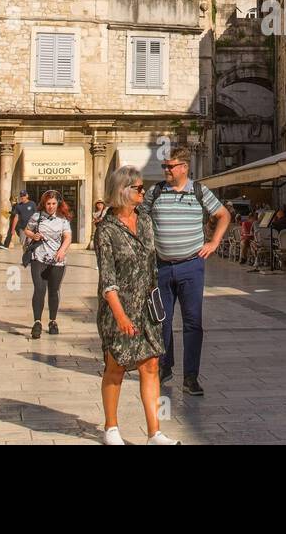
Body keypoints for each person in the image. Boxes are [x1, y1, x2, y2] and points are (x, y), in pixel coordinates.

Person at [96, 165, 178, 445]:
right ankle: (111, 428)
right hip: (117, 308)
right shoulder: (106, 230)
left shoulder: (144, 220)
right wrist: (120, 315)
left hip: (147, 307)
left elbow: (154, 259)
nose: (143, 192)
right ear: (123, 191)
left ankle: (154, 433)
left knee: (151, 366)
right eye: (139, 188)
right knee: (116, 366)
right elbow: (107, 278)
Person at [147, 146, 230, 397]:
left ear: (184, 167)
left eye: (170, 166)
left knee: (193, 322)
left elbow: (224, 214)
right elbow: (138, 217)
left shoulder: (199, 191)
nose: (166, 171)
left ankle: (191, 376)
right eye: (164, 166)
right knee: (162, 320)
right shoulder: (156, 191)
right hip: (161, 266)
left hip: (191, 266)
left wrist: (214, 243)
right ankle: (165, 366)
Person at [21, 189, 72, 340]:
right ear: (44, 204)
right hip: (39, 258)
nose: (50, 206)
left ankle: (52, 321)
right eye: (48, 203)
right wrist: (34, 235)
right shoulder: (37, 217)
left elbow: (68, 237)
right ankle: (37, 322)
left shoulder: (63, 219)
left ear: (58, 204)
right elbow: (27, 230)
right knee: (39, 289)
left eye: (53, 203)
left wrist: (62, 250)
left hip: (57, 260)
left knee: (54, 290)